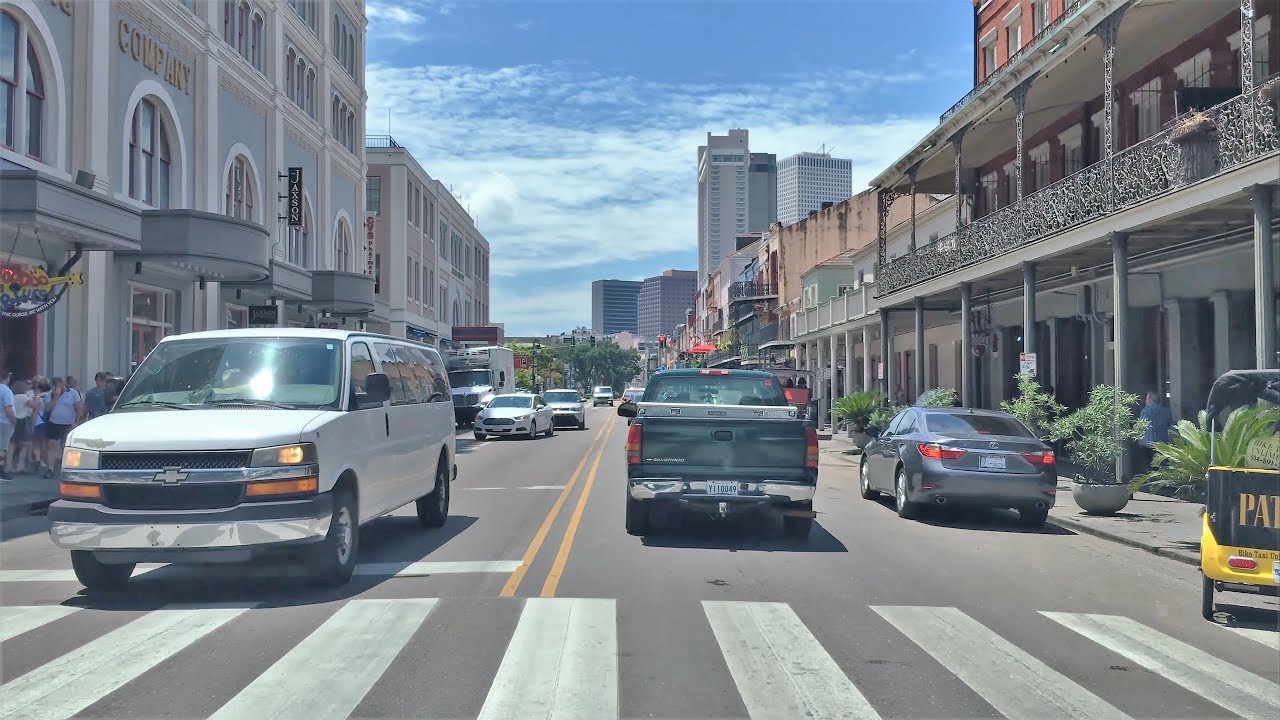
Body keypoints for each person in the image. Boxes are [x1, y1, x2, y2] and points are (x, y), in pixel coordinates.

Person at [1138, 390, 1173, 474]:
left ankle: (1150, 483)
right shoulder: (1166, 411)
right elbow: (1170, 427)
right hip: (1163, 444)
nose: (1145, 401)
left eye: (1146, 398)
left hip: (1148, 444)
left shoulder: (1145, 411)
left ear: (1150, 399)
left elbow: (1141, 428)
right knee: (1161, 466)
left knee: (1148, 467)